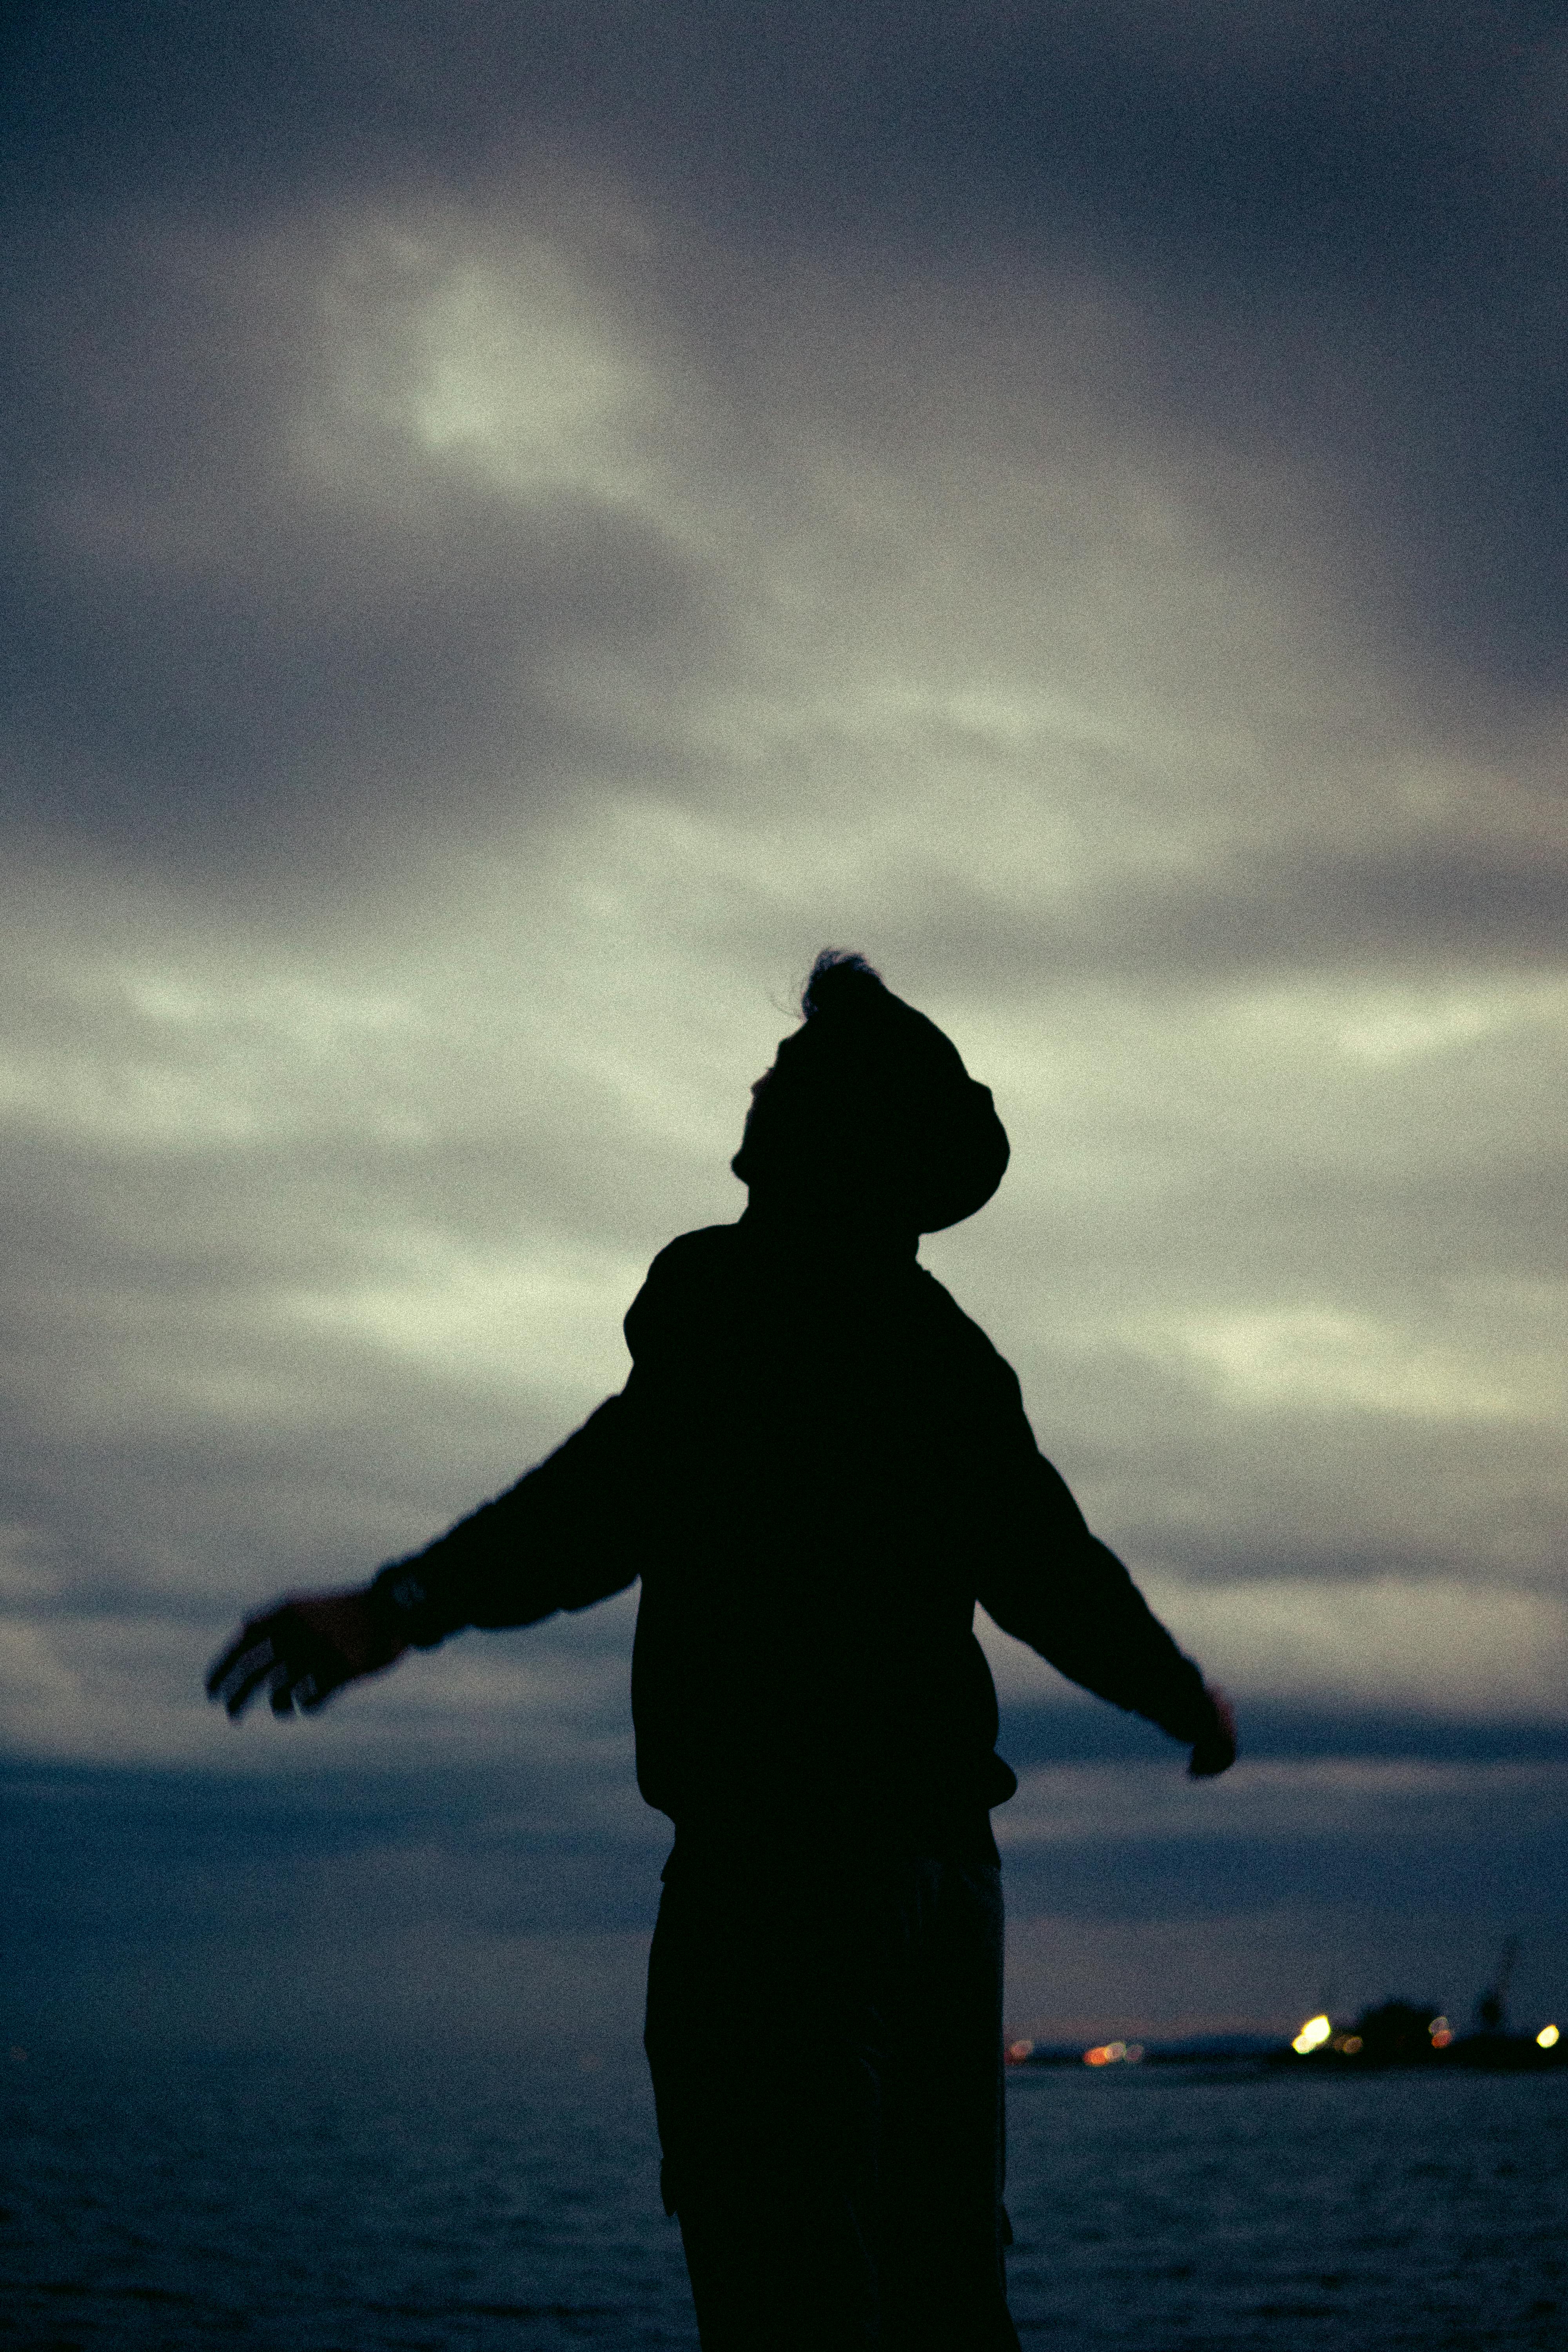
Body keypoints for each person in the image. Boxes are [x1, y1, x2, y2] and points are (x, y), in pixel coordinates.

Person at [208, 949, 1236, 2352]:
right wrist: (1180, 1696)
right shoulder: (949, 1355)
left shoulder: (736, 1300)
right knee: (945, 2296)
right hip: (946, 1885)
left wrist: (391, 1611)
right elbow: (1052, 1570)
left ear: (835, 1131)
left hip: (785, 1881)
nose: (759, 1079)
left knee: (790, 2288)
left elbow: (600, 1500)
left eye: (794, 1070)